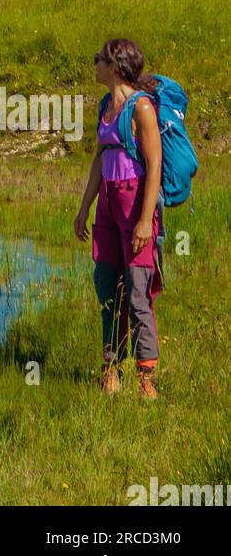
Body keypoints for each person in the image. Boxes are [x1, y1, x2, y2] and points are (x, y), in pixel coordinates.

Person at [74, 38, 164, 399]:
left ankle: (146, 377)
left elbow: (154, 163)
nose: (94, 65)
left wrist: (145, 220)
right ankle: (111, 368)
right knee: (108, 289)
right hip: (109, 205)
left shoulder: (141, 108)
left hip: (135, 201)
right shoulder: (104, 106)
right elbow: (99, 159)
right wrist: (84, 209)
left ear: (114, 67)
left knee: (138, 290)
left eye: (99, 60)